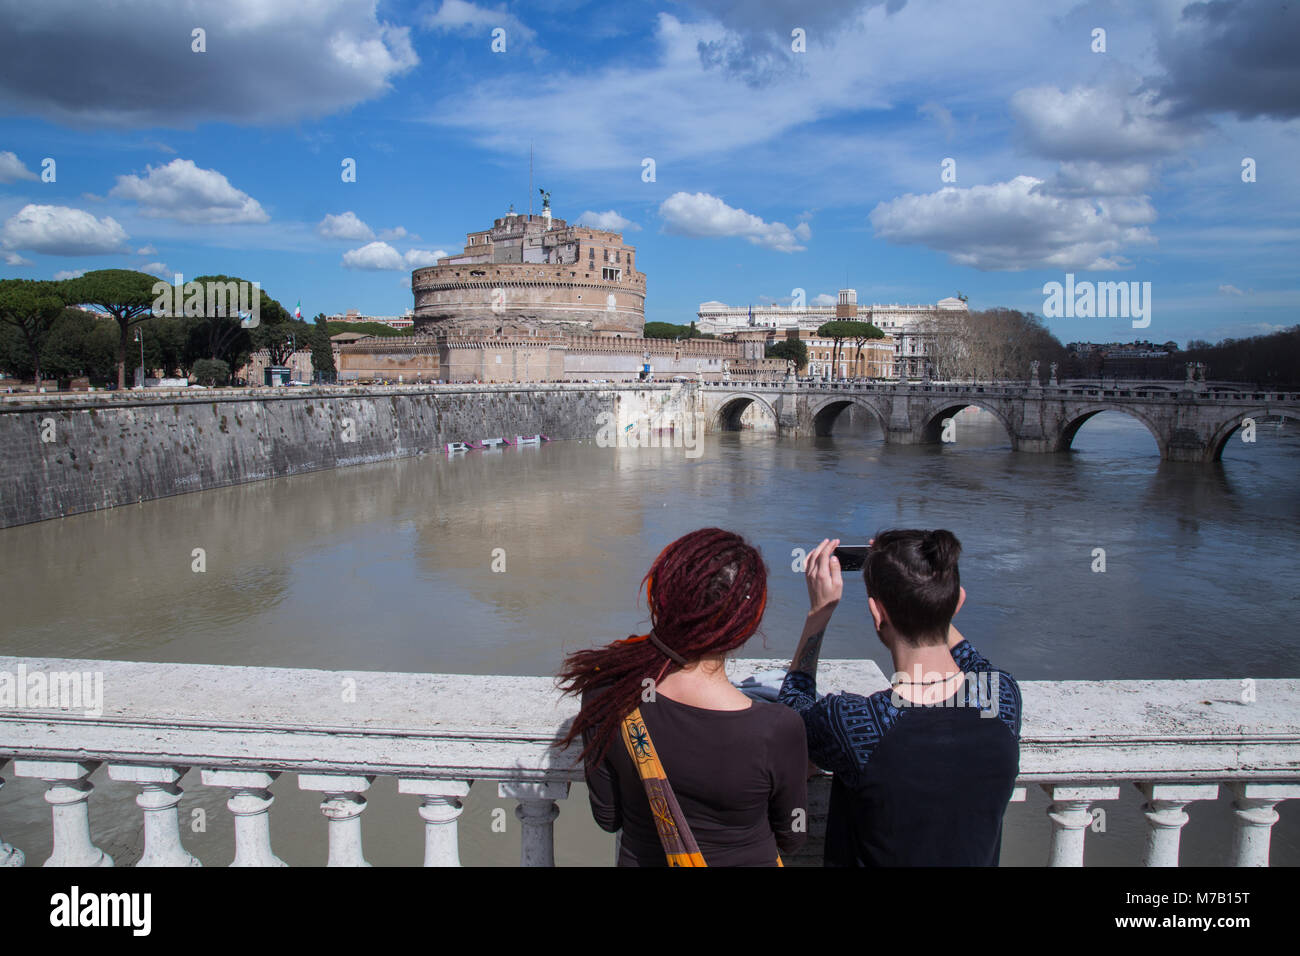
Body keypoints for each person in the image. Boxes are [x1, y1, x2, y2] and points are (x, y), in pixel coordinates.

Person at [557, 528, 808, 866]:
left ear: (657, 597)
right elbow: (792, 838)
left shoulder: (607, 696)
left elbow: (608, 818)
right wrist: (816, 619)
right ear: (746, 626)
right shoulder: (777, 729)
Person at [779, 532, 1021, 866]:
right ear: (957, 602)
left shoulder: (857, 725)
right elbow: (972, 661)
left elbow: (790, 707)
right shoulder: (1001, 699)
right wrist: (931, 596)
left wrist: (820, 612)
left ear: (876, 615)